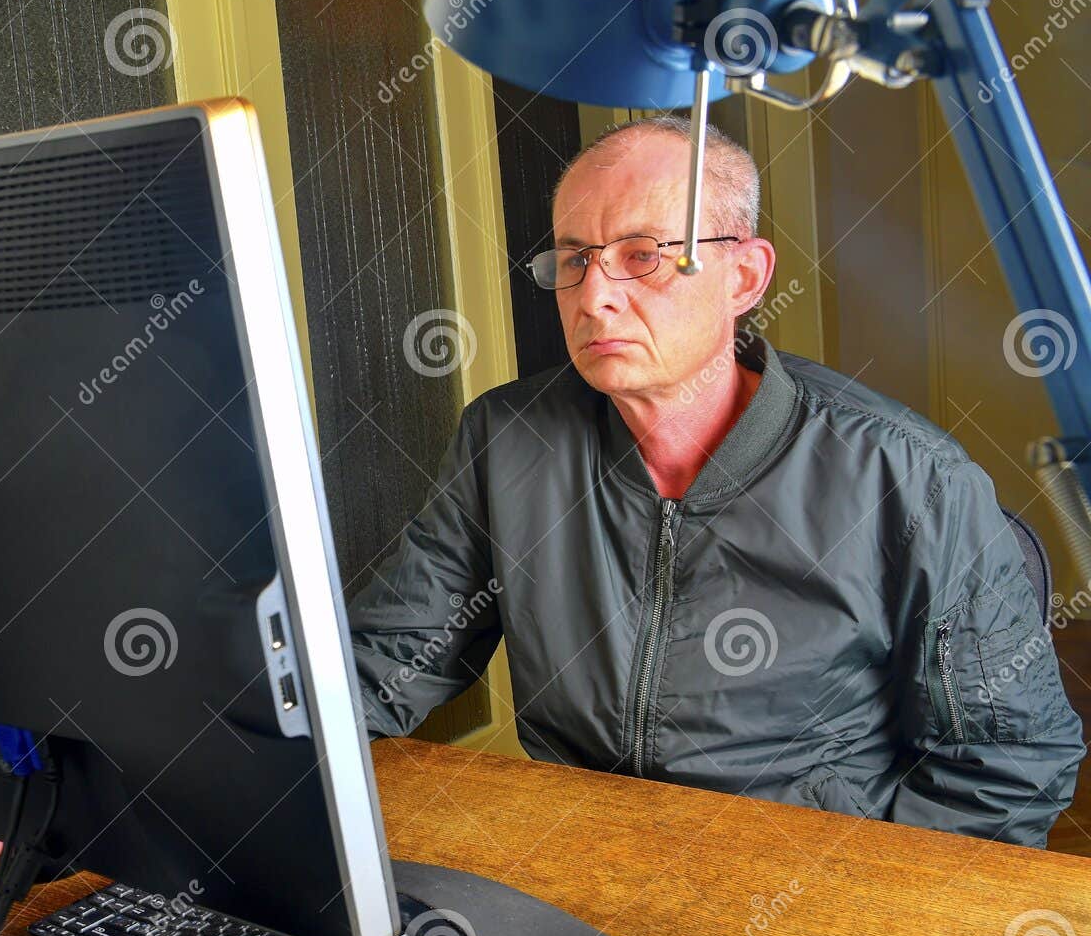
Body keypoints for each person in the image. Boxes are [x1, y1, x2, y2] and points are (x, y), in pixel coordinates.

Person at [349, 116, 1084, 847]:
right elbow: (382, 665)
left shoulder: (910, 477)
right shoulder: (506, 440)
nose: (593, 294)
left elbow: (1008, 766)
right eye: (573, 259)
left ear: (745, 276)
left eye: (642, 256)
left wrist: (845, 900)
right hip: (580, 864)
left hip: (804, 885)